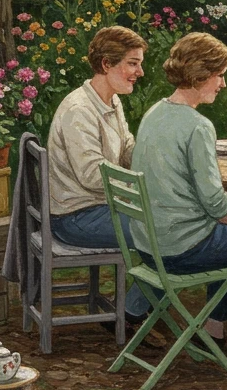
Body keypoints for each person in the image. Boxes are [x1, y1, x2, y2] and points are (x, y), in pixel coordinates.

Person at [132, 32, 227, 364]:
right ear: (200, 76)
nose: (223, 84)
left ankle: (211, 330)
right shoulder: (197, 126)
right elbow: (213, 201)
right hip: (181, 247)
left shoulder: (155, 112)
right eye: (219, 75)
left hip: (150, 242)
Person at [46, 26, 153, 334]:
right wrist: (139, 184)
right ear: (107, 64)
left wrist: (155, 157)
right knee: (167, 232)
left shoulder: (110, 101)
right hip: (75, 216)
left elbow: (126, 147)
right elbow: (93, 174)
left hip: (101, 207)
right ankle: (132, 311)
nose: (140, 71)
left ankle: (133, 308)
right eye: (132, 63)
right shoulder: (79, 110)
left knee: (170, 223)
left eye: (139, 63)